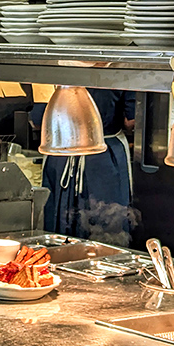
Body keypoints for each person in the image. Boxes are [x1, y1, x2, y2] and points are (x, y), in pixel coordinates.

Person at [31, 89, 136, 243]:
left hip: (61, 150)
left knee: (59, 227)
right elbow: (131, 120)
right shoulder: (122, 66)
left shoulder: (52, 65)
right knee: (108, 229)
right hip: (103, 155)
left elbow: (38, 120)